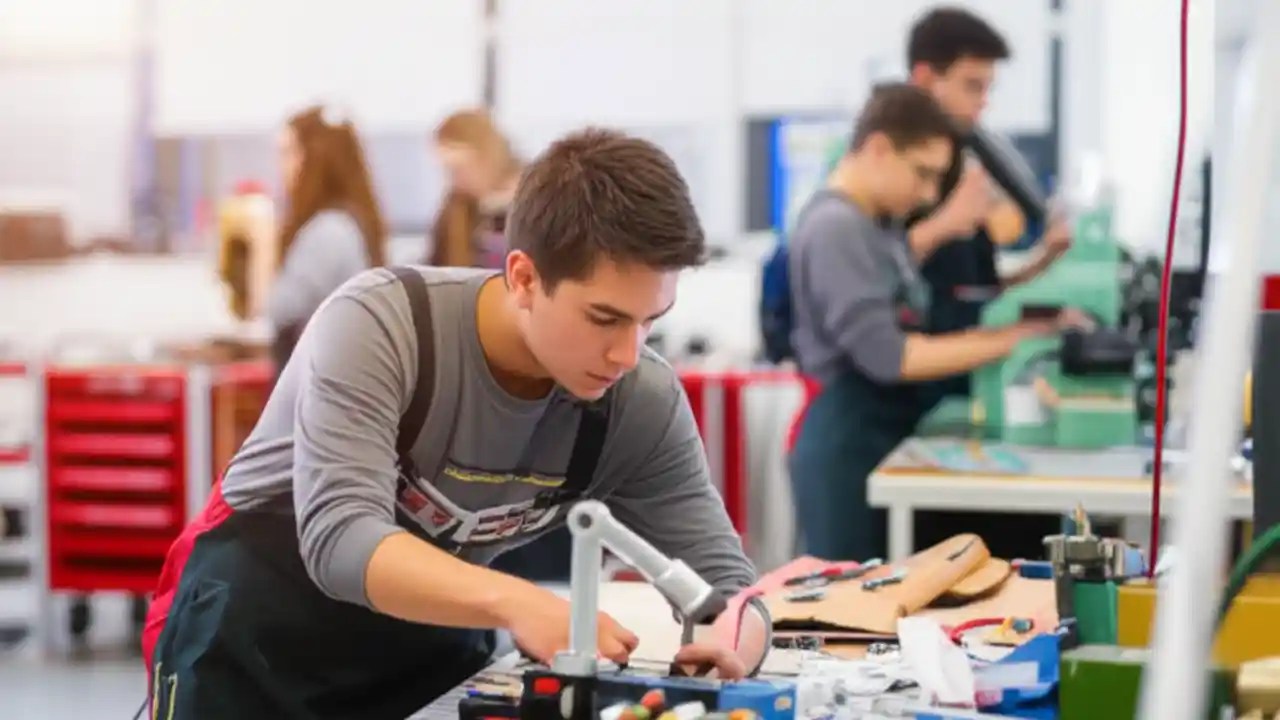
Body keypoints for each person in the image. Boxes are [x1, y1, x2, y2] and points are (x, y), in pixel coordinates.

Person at [142, 128, 770, 719]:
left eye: (649, 320)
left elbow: (729, 586)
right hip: (255, 637)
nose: (628, 354)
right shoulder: (383, 325)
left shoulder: (639, 401)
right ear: (524, 277)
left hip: (423, 641)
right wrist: (518, 601)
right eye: (604, 318)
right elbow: (340, 540)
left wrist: (732, 642)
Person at [787, 84, 1084, 561]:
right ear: (880, 149)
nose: (928, 193)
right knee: (850, 615)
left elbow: (907, 276)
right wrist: (1015, 337)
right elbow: (892, 356)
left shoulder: (873, 225)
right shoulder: (835, 228)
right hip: (845, 450)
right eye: (922, 174)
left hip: (871, 437)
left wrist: (1038, 261)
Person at [904, 7, 1073, 403]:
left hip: (951, 386)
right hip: (902, 394)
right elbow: (867, 267)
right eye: (972, 86)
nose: (983, 103)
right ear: (926, 79)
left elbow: (973, 289)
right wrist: (946, 223)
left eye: (987, 89)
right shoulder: (890, 164)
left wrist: (1043, 258)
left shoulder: (965, 164)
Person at [267, 104, 387, 372]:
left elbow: (278, 312)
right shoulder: (351, 222)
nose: (280, 166)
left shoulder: (328, 232)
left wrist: (262, 238)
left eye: (288, 153)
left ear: (315, 159)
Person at [429, 109, 523, 269]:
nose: (455, 180)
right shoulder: (453, 209)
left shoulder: (537, 202)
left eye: (458, 169)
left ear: (486, 156)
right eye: (448, 170)